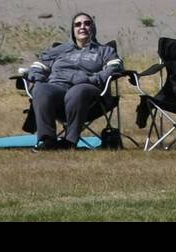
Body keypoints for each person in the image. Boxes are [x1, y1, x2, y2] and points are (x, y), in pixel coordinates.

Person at [23, 13, 121, 151]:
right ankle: (47, 140)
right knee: (41, 89)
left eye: (87, 23)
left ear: (93, 27)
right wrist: (38, 79)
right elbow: (38, 66)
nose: (82, 27)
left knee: (77, 91)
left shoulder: (105, 51)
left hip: (88, 89)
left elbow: (115, 67)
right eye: (78, 24)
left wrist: (92, 79)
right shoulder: (59, 50)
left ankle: (70, 141)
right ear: (73, 29)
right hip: (57, 87)